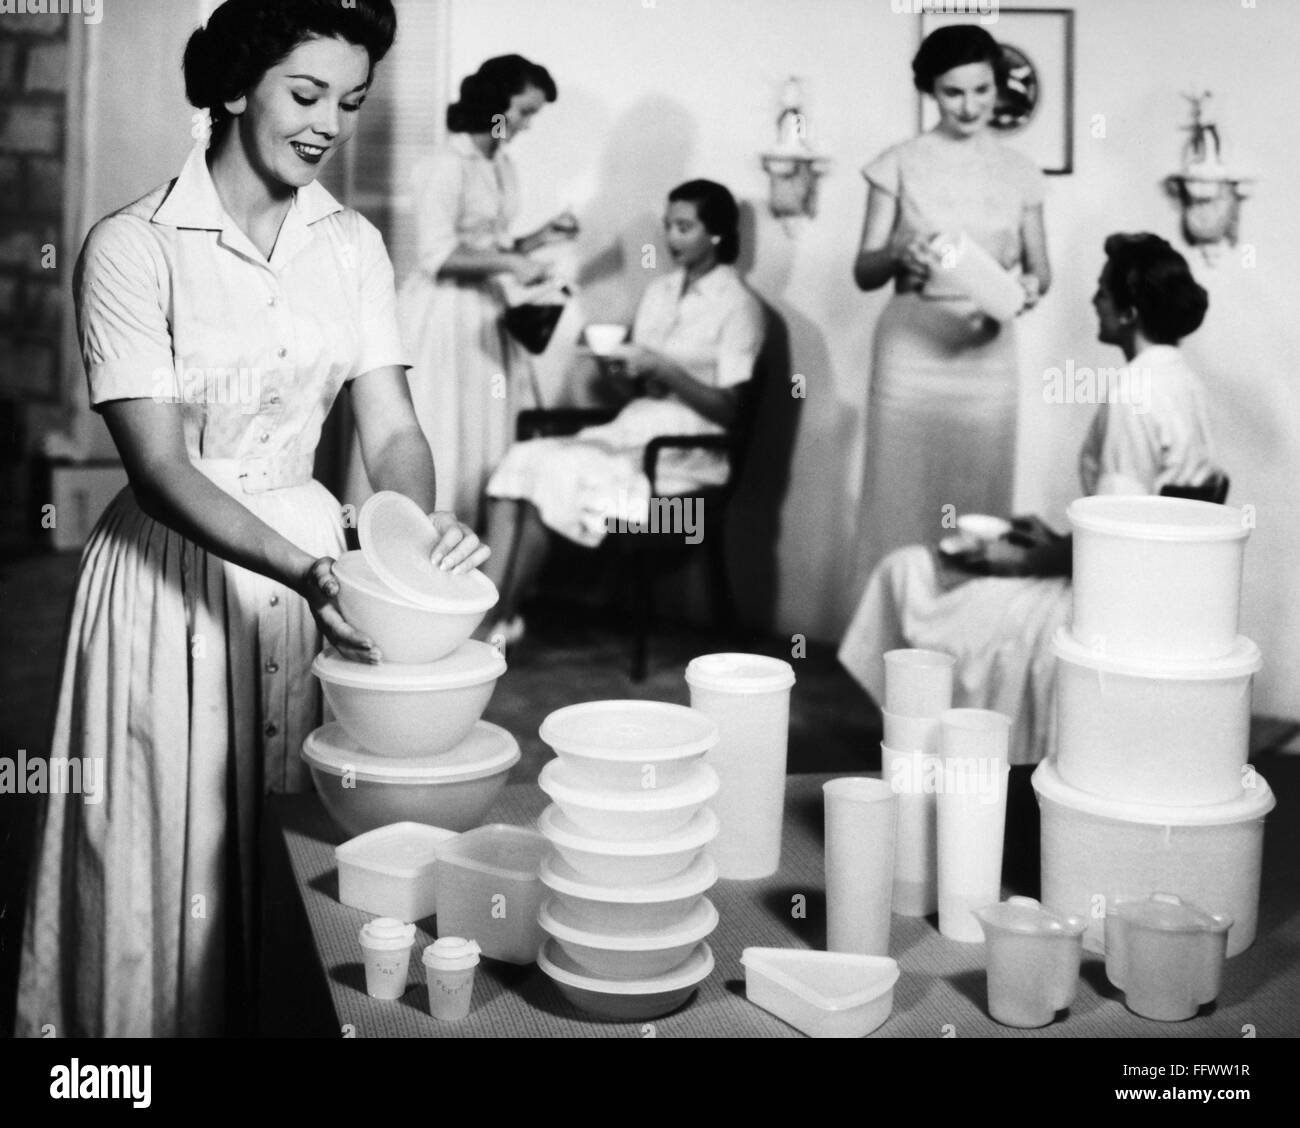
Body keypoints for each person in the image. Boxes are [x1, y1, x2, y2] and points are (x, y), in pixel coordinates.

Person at [15, 0, 487, 1038]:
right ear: (234, 86)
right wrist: (305, 567)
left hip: (315, 564)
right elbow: (157, 469)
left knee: (294, 838)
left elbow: (392, 422)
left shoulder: (351, 243)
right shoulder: (132, 246)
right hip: (171, 579)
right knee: (162, 842)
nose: (328, 122)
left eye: (350, 101)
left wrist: (413, 529)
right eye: (305, 92)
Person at [839, 234, 1218, 764]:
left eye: (1103, 293)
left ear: (1130, 313)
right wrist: (1050, 538)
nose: (1094, 302)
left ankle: (932, 745)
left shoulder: (1134, 393)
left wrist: (1021, 560)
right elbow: (1145, 516)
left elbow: (1115, 544)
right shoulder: (1183, 382)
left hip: (1115, 599)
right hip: (1166, 586)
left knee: (909, 574)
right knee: (948, 566)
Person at [480, 179, 764, 641]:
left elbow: (729, 410)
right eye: (669, 226)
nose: (671, 238)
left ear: (716, 234)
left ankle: (496, 621)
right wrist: (615, 368)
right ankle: (494, 616)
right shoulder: (660, 292)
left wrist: (662, 367)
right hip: (637, 429)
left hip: (684, 469)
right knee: (525, 459)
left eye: (684, 227)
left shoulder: (739, 307)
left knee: (559, 468)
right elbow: (636, 394)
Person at [851, 24, 1051, 586]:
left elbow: (1042, 269)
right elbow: (864, 271)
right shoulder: (897, 162)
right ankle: (890, 645)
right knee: (898, 496)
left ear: (998, 87)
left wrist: (1028, 290)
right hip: (911, 351)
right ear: (930, 91)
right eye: (953, 92)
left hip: (985, 352)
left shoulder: (1021, 171)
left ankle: (967, 644)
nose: (970, 106)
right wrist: (896, 253)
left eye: (982, 90)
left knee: (977, 502)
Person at [346, 54, 578, 529]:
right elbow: (439, 254)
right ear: (496, 103)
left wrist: (538, 239)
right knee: (442, 424)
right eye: (525, 111)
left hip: (484, 313)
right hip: (442, 315)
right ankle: (414, 539)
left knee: (481, 430)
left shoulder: (501, 164)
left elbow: (489, 242)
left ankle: (474, 553)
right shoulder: (446, 165)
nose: (528, 125)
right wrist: (513, 262)